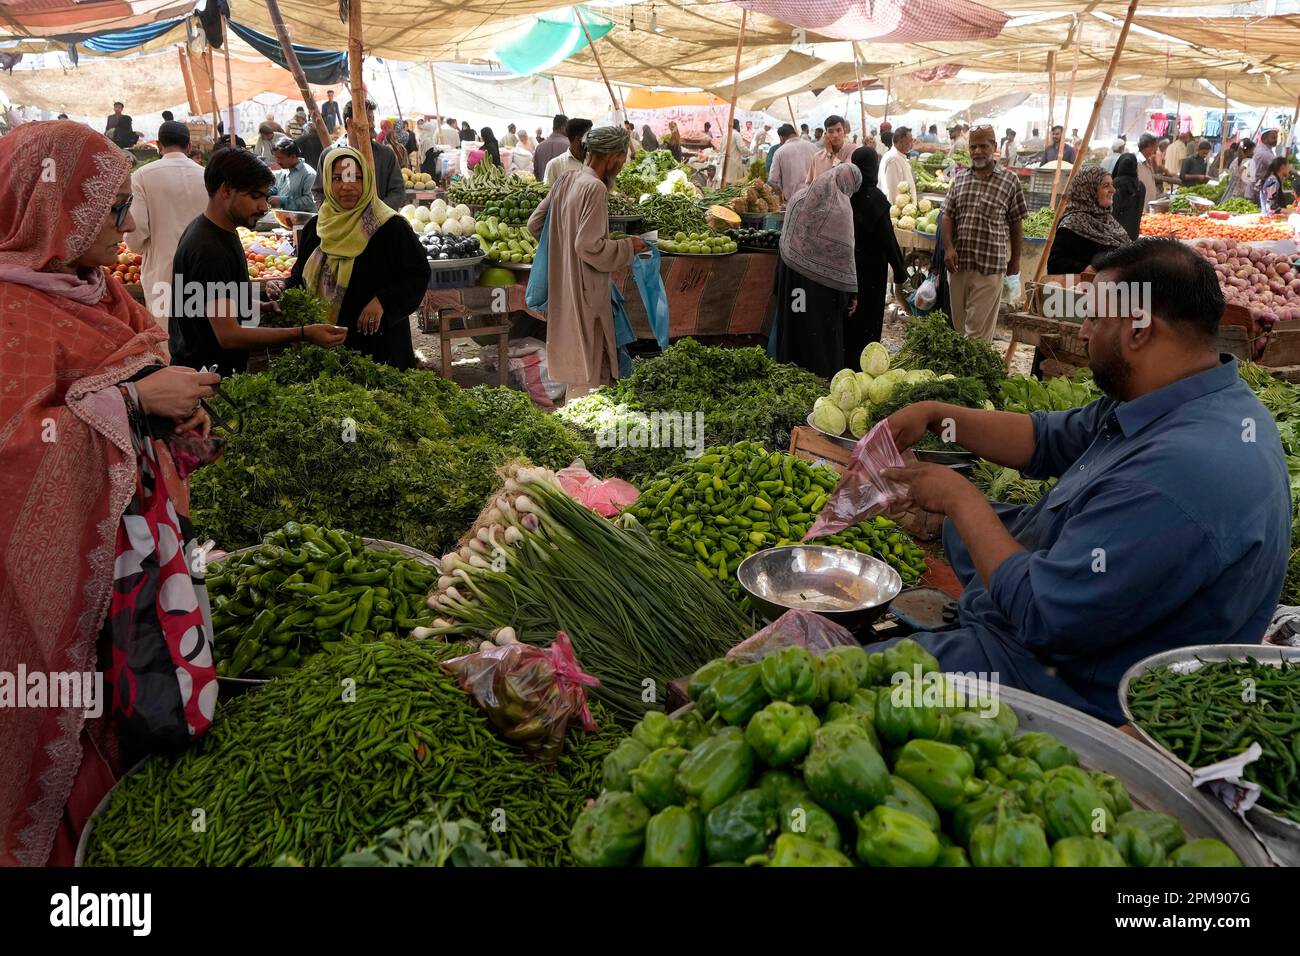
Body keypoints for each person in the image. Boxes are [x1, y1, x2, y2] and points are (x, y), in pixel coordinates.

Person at [877, 238, 1290, 724]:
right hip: (1070, 608)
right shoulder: (1178, 393)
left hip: (1071, 683)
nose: (1083, 333)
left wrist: (959, 498)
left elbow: (1039, 614)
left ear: (1139, 329)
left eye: (1094, 318)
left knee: (846, 684)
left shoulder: (1180, 476)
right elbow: (1045, 439)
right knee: (983, 530)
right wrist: (936, 415)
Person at [0, 121, 231, 866]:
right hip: (56, 588)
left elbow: (128, 385)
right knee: (65, 720)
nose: (126, 225)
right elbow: (16, 455)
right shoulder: (11, 318)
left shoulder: (102, 293)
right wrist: (134, 406)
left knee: (127, 699)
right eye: (107, 212)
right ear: (50, 214)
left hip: (129, 572)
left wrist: (175, 415)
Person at [171, 147, 346, 376]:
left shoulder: (216, 230)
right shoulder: (209, 249)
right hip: (205, 378)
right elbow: (229, 336)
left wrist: (255, 307)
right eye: (255, 196)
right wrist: (303, 333)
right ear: (226, 190)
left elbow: (210, 303)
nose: (264, 207)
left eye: (265, 196)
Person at [526, 126, 647, 400]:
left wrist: (562, 254)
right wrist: (629, 246)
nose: (623, 163)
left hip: (564, 289)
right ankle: (585, 433)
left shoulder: (566, 180)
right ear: (613, 156)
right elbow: (589, 247)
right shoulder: (595, 188)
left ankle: (576, 426)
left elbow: (535, 225)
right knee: (592, 370)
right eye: (624, 157)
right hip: (586, 292)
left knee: (576, 368)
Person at [286, 148, 429, 369]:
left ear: (368, 180)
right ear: (326, 181)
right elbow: (299, 275)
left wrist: (383, 301)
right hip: (325, 352)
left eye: (356, 177)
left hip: (379, 351)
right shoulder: (316, 228)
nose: (347, 186)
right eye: (338, 178)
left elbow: (417, 274)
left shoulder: (390, 227)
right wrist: (283, 286)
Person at [772, 164, 862, 377]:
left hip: (794, 286)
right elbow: (845, 259)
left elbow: (783, 245)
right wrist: (851, 294)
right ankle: (817, 377)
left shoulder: (798, 199)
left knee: (796, 319)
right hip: (821, 294)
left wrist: (780, 284)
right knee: (817, 333)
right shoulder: (841, 212)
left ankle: (790, 370)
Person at [941, 125, 1027, 341]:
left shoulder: (1010, 181)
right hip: (959, 264)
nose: (977, 151)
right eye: (973, 147)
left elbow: (1016, 223)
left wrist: (1015, 260)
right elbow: (947, 215)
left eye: (983, 146)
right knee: (960, 329)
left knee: (977, 334)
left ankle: (974, 373)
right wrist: (949, 248)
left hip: (990, 267)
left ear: (994, 147)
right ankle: (964, 370)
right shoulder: (960, 179)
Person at [127, 120, 208, 326]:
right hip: (204, 270)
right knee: (202, 334)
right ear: (189, 147)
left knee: (168, 341)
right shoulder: (207, 176)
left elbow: (136, 236)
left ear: (159, 146)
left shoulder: (141, 177)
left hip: (163, 275)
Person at [849, 148, 906, 350]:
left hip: (849, 267)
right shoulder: (876, 198)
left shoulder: (848, 193)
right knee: (869, 315)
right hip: (871, 270)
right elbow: (888, 239)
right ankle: (865, 357)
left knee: (851, 313)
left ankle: (849, 356)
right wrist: (900, 271)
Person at [311, 98, 405, 211]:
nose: (371, 125)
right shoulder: (329, 155)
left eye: (372, 119)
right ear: (349, 123)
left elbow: (397, 191)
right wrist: (333, 216)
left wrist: (377, 215)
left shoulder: (386, 155)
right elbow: (318, 192)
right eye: (367, 119)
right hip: (340, 227)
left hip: (378, 226)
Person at [1045, 165, 1131, 274]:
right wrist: (1085, 269)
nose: (1113, 190)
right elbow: (1055, 264)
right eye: (1106, 186)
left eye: (1112, 185)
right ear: (1088, 190)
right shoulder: (1073, 223)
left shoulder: (1108, 220)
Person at [767, 123, 817, 203]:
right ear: (795, 133)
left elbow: (772, 181)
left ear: (781, 138)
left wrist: (780, 195)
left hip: (792, 202)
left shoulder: (779, 152)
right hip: (814, 198)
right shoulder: (814, 147)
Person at [269, 137, 316, 212]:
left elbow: (310, 201)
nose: (277, 161)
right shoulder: (285, 170)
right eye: (276, 158)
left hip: (302, 221)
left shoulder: (309, 174)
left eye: (280, 158)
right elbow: (279, 188)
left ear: (293, 156)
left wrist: (283, 201)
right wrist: (269, 192)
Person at [805, 114, 853, 184]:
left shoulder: (853, 151)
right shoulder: (817, 157)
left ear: (844, 131)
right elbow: (809, 184)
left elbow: (844, 175)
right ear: (825, 134)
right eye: (830, 131)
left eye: (838, 130)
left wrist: (830, 152)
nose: (835, 135)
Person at [544, 117, 593, 185]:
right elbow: (548, 193)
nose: (592, 139)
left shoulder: (593, 161)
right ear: (578, 139)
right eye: (589, 136)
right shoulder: (555, 165)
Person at [1110, 153, 1146, 241]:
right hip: (1132, 235)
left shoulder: (1113, 185)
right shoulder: (1140, 186)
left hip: (1114, 236)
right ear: (1135, 167)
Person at [879, 125, 915, 205]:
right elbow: (892, 190)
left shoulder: (898, 156)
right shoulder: (893, 159)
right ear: (900, 142)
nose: (911, 144)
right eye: (909, 141)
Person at [533, 114, 570, 179]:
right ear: (562, 128)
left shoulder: (539, 147)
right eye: (568, 128)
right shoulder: (569, 146)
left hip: (543, 187)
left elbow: (536, 172)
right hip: (563, 188)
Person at [719, 119, 748, 186]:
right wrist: (750, 152)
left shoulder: (726, 134)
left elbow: (720, 149)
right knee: (732, 184)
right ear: (737, 125)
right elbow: (742, 148)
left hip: (724, 161)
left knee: (725, 181)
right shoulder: (736, 134)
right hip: (732, 162)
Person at [1251, 128, 1280, 196]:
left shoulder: (1265, 149)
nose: (1275, 140)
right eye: (1273, 138)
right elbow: (1280, 166)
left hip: (1259, 186)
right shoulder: (1264, 153)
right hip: (1257, 187)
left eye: (1276, 138)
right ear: (1264, 139)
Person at [1135, 133, 1160, 204]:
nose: (1156, 149)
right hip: (1141, 207)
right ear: (1149, 145)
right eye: (1155, 146)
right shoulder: (1137, 163)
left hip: (1148, 205)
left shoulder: (1148, 162)